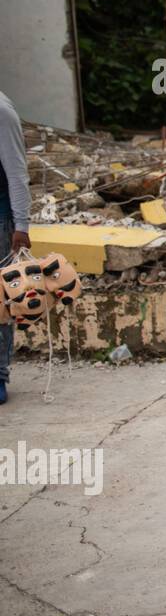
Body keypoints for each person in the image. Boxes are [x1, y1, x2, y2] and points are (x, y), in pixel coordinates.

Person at [0, 92, 32, 405]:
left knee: (0, 302)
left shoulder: (1, 111)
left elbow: (16, 172)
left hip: (0, 222)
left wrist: (21, 225)